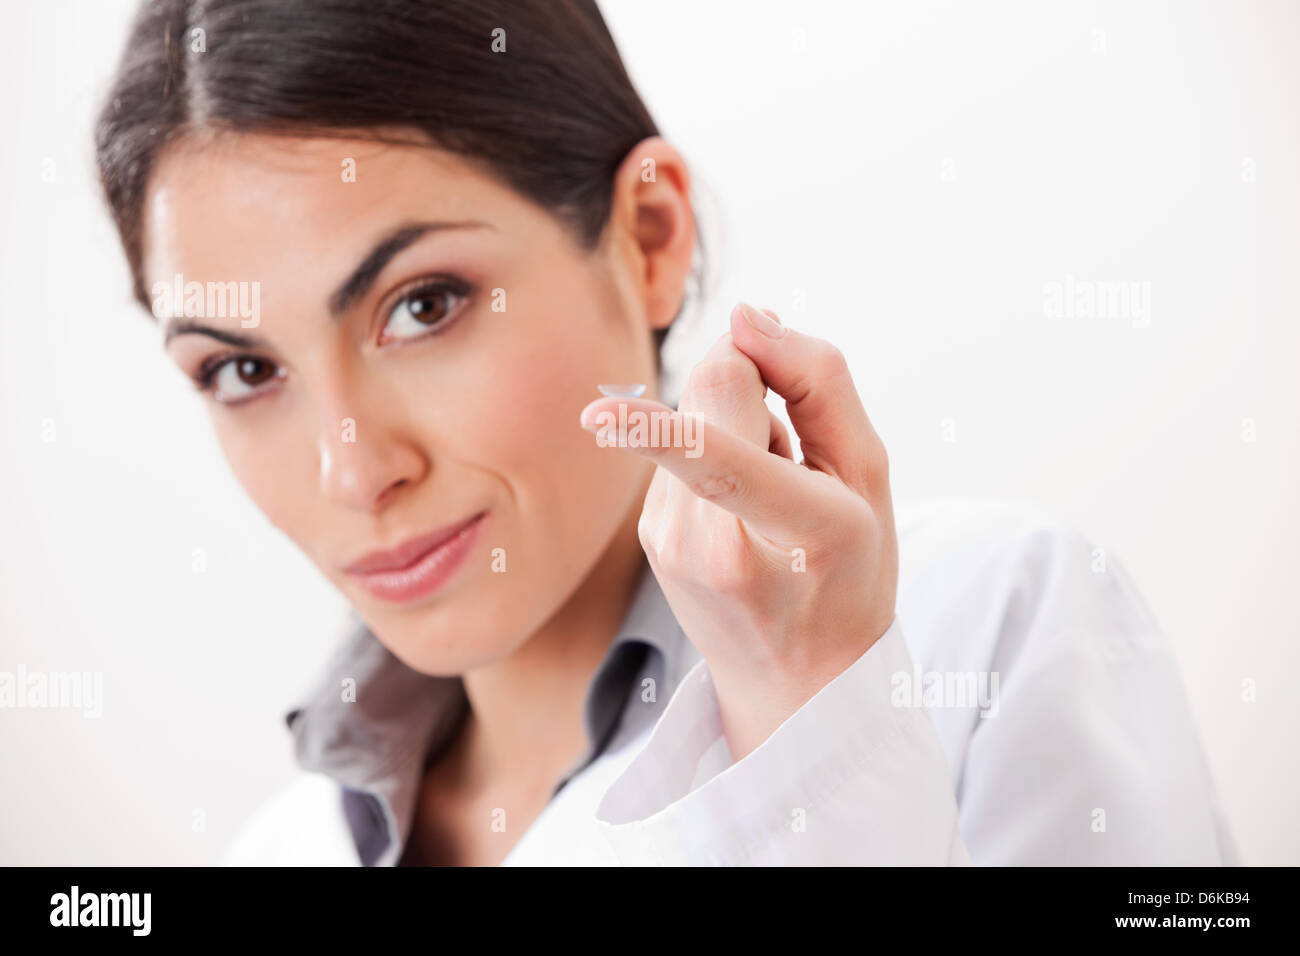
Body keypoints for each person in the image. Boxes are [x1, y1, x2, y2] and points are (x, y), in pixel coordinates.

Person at [94, 0, 1237, 866]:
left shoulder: (987, 622)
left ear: (647, 236)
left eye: (424, 304)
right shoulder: (275, 849)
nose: (353, 469)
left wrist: (811, 713)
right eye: (243, 368)